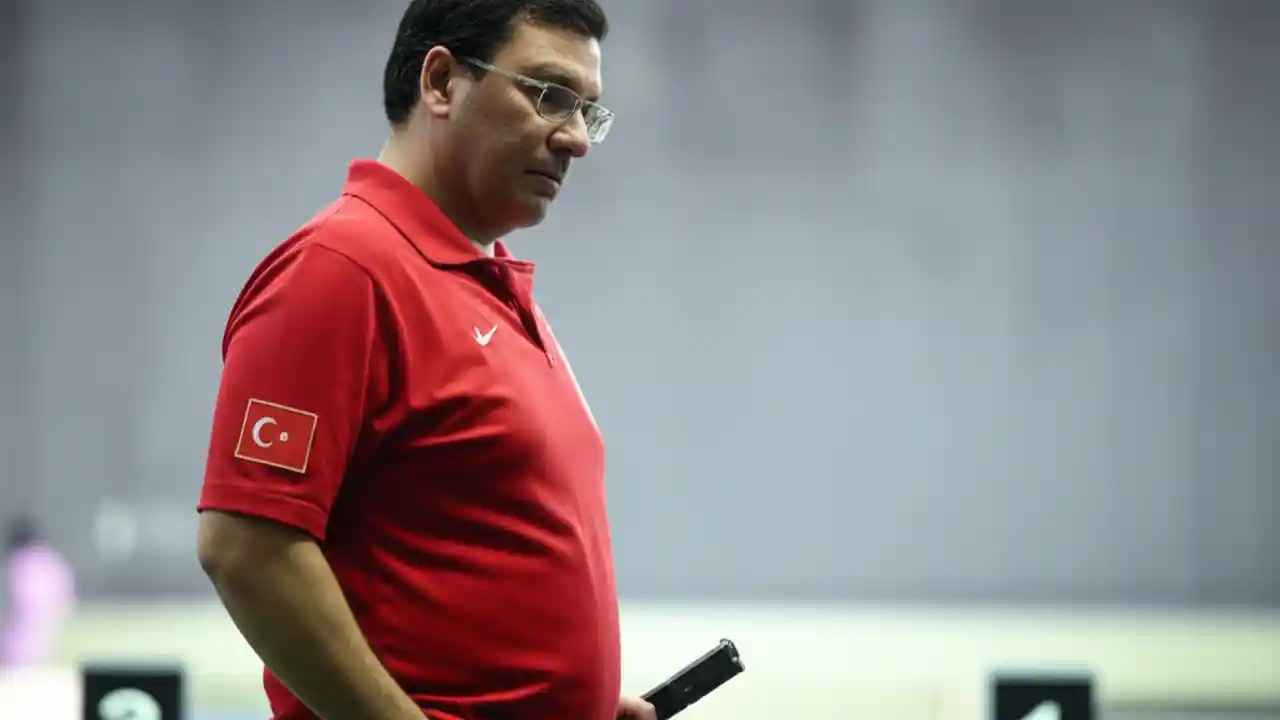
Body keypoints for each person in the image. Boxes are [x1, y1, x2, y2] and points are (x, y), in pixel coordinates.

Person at [195, 1, 654, 719]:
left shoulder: (480, 280)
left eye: (588, 111)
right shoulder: (341, 270)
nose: (576, 139)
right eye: (548, 95)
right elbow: (248, 547)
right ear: (440, 81)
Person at [0, 517, 76, 668]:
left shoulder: (21, 560)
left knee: (19, 650)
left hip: (31, 610)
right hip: (53, 609)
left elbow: (23, 595)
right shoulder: (48, 557)